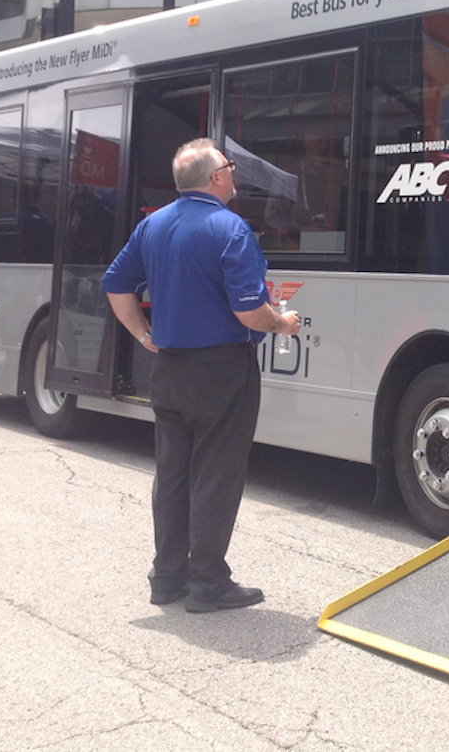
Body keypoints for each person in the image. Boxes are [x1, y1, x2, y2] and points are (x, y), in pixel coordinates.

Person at [102, 139, 301, 613]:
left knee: (172, 474)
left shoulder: (152, 225)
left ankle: (166, 578)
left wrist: (143, 333)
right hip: (221, 370)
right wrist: (283, 323)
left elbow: (115, 283)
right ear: (216, 178)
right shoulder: (230, 229)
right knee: (216, 472)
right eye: (230, 167)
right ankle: (208, 581)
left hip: (167, 368)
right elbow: (251, 311)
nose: (234, 174)